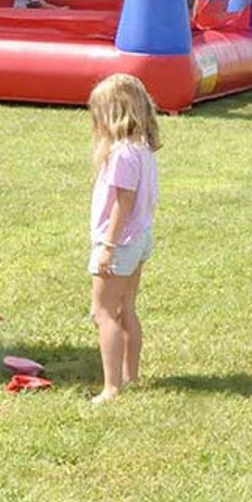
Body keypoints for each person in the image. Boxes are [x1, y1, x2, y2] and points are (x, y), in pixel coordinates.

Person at [86, 73, 161, 404]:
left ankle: (112, 386)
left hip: (121, 242)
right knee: (125, 307)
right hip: (140, 238)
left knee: (102, 311)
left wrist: (108, 247)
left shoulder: (121, 155)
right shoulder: (141, 149)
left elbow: (122, 204)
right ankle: (131, 376)